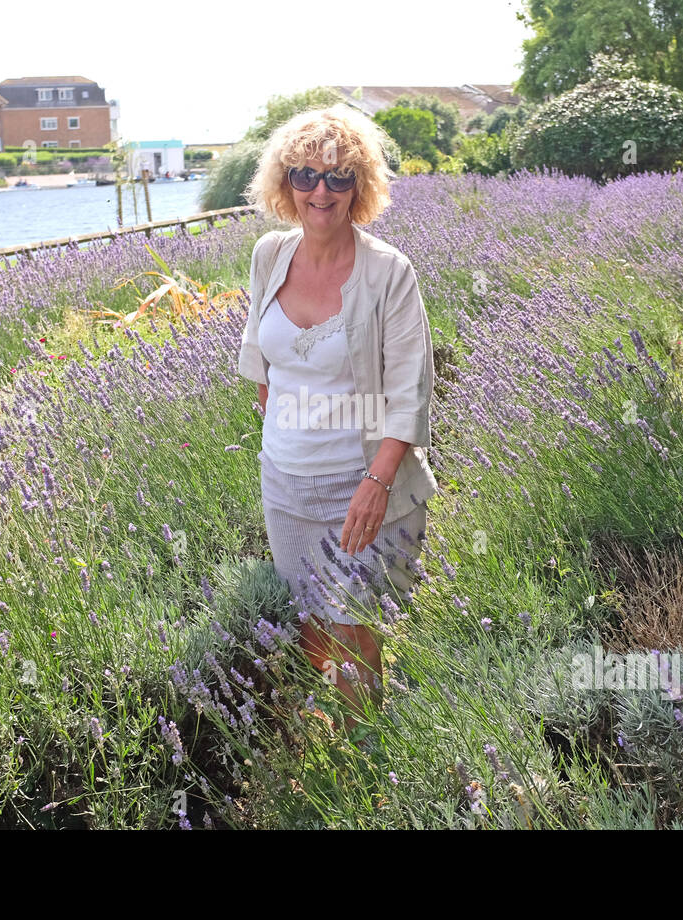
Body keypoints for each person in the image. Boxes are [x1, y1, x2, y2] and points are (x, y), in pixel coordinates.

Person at [237, 104, 439, 742]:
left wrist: (378, 482)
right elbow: (262, 356)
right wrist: (284, 419)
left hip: (358, 482)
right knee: (311, 620)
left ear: (361, 187)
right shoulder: (270, 255)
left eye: (338, 177)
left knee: (354, 624)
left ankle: (362, 759)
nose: (319, 190)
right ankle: (339, 732)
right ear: (284, 183)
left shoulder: (388, 272)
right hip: (285, 483)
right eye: (304, 174)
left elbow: (410, 387)